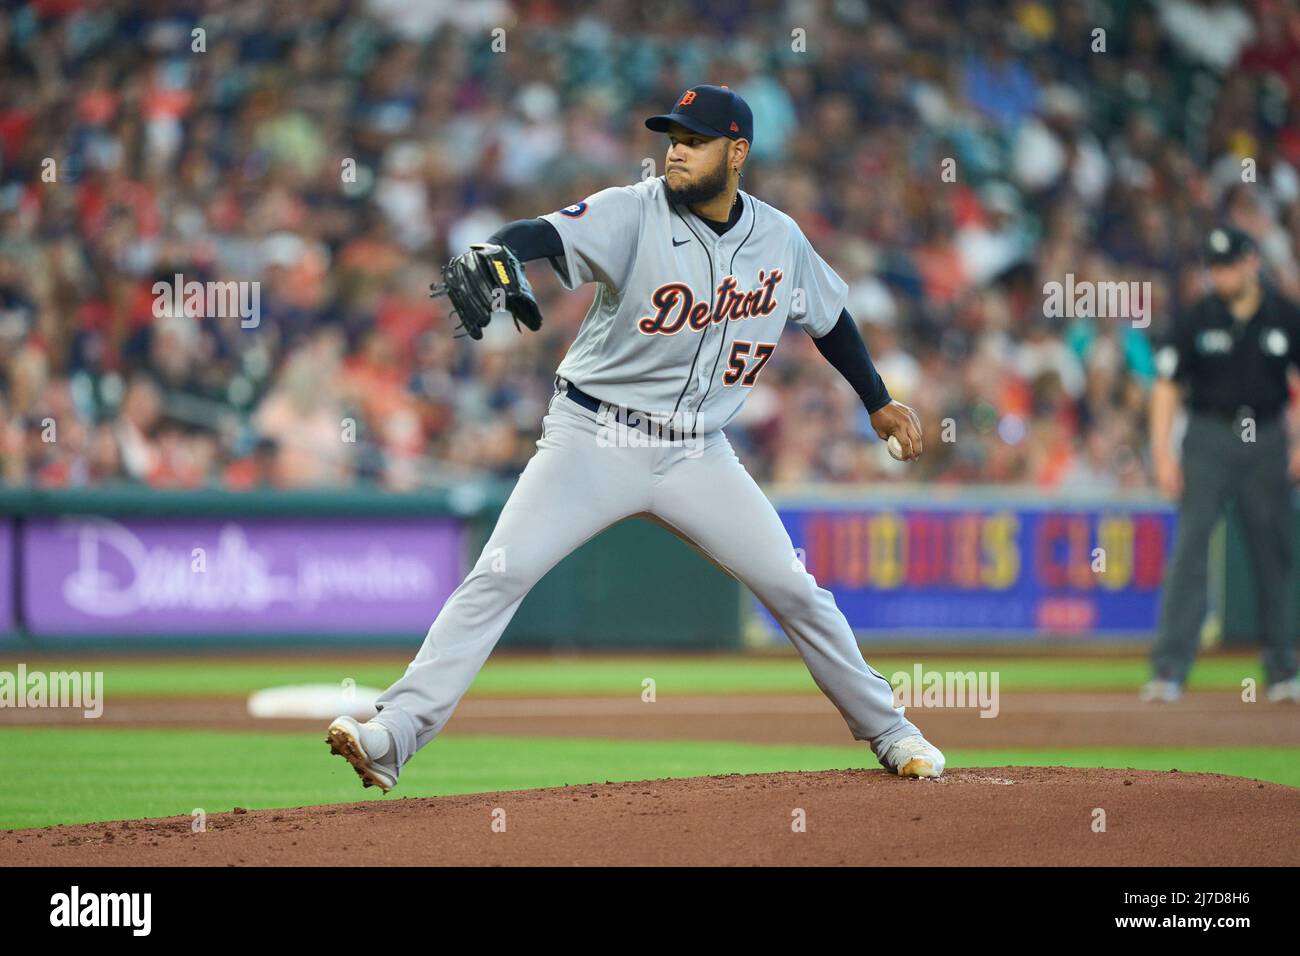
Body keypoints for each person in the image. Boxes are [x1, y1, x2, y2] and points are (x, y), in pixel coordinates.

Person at [326, 85, 945, 791]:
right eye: (671, 138)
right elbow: (541, 234)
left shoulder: (779, 237)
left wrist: (878, 401)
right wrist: (498, 251)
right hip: (593, 436)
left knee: (795, 591)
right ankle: (392, 735)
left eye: (693, 140)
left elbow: (828, 318)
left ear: (736, 153)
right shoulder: (634, 209)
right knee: (497, 577)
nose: (675, 151)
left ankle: (893, 733)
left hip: (698, 452)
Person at [1144, 226, 1300, 704]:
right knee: (1190, 550)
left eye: (1228, 264)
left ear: (1251, 261)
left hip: (1267, 438)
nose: (1220, 274)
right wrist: (1163, 452)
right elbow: (1166, 386)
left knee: (1275, 553)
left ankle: (1282, 670)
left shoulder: (1284, 315)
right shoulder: (1196, 318)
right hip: (1208, 439)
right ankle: (1169, 670)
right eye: (1214, 267)